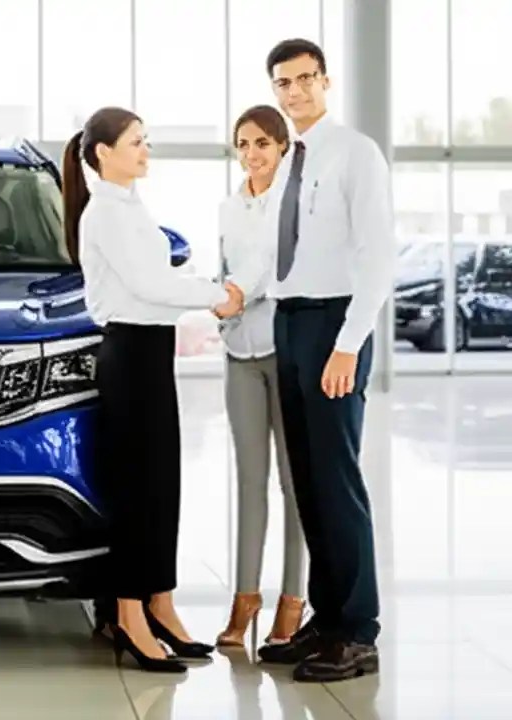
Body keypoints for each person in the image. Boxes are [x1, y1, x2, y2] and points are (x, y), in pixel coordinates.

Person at [62, 106, 244, 674]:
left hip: (150, 352)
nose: (146, 151)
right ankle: (129, 615)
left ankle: (160, 601)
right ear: (103, 154)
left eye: (146, 141)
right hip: (128, 355)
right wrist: (217, 294)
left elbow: (153, 283)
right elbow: (148, 283)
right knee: (136, 488)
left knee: (162, 482)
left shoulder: (130, 207)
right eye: (136, 142)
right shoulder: (107, 213)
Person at [252, 38, 395, 683]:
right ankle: (327, 618)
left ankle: (358, 631)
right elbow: (277, 252)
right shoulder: (287, 162)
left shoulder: (355, 154)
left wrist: (348, 343)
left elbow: (376, 259)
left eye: (306, 79)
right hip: (290, 322)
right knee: (306, 480)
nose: (295, 92)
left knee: (337, 480)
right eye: (284, 83)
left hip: (334, 324)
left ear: (326, 82)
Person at [214, 105, 308, 648]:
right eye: (244, 144)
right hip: (239, 354)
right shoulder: (229, 206)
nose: (252, 154)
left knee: (294, 484)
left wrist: (234, 295)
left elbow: (277, 265)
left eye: (263, 144)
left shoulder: (291, 203)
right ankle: (245, 596)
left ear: (281, 148)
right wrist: (218, 296)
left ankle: (292, 599)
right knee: (249, 481)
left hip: (285, 347)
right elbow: (226, 265)